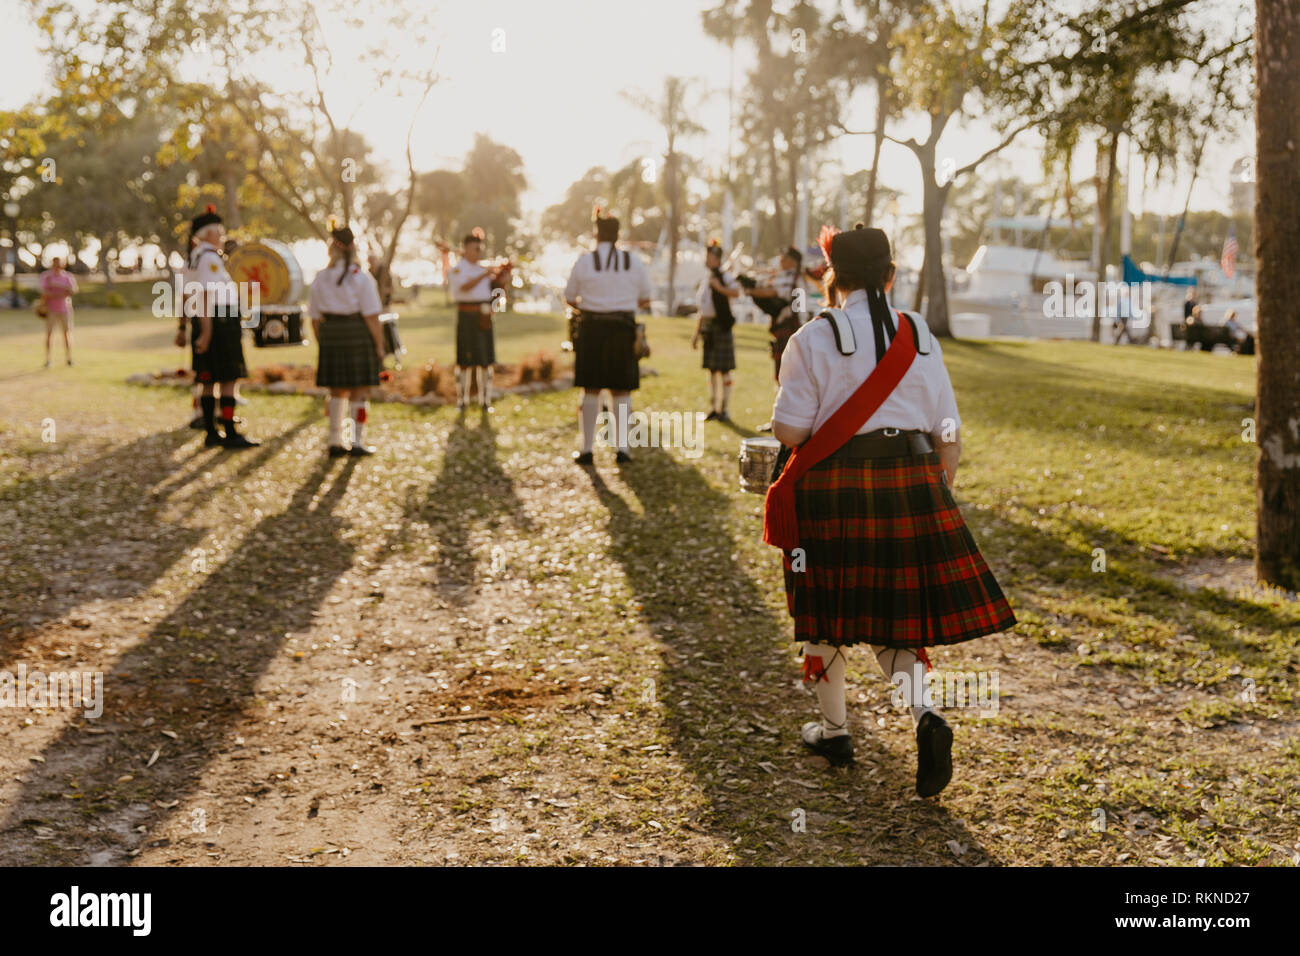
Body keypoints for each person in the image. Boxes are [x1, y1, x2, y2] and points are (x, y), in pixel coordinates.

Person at [766, 223, 1016, 797]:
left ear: (833, 278)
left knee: (824, 612)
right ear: (890, 276)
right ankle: (925, 714)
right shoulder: (920, 332)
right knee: (893, 617)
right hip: (909, 480)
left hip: (831, 485)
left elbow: (790, 428)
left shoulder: (812, 335)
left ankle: (834, 733)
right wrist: (936, 486)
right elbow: (946, 426)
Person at [563, 209, 652, 465]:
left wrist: (595, 303)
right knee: (621, 391)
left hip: (591, 328)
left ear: (596, 234)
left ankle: (587, 449)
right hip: (623, 329)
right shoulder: (633, 261)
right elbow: (646, 297)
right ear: (617, 235)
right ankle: (623, 449)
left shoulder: (584, 261)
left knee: (591, 389)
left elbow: (569, 298)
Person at [179, 204, 259, 449]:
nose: (223, 237)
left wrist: (183, 327)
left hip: (205, 320)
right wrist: (207, 332)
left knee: (207, 379)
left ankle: (212, 431)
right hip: (218, 322)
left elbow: (184, 296)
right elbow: (204, 296)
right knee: (227, 378)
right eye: (220, 232)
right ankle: (230, 431)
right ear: (209, 234)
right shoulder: (210, 259)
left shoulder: (192, 258)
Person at [309, 222, 386, 457]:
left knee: (336, 391)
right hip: (357, 332)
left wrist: (323, 342)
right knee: (359, 392)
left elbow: (314, 318)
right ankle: (357, 441)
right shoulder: (361, 278)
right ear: (353, 248)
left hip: (331, 333)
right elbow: (372, 317)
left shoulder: (321, 278)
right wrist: (379, 347)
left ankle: (335, 440)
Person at [447, 228, 510, 410]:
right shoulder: (459, 269)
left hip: (484, 315)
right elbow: (464, 287)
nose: (478, 252)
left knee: (485, 360)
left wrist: (502, 277)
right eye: (475, 249)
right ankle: (463, 400)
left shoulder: (485, 268)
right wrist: (484, 273)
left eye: (480, 249)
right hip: (467, 316)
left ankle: (485, 400)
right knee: (465, 362)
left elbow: (498, 292)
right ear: (465, 249)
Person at [692, 243, 741, 422]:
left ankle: (724, 408)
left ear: (717, 259)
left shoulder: (725, 277)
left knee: (725, 370)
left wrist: (719, 287)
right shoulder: (707, 279)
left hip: (722, 326)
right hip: (708, 327)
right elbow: (703, 309)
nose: (707, 260)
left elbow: (736, 292)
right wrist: (696, 333)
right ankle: (714, 407)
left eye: (710, 257)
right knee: (712, 370)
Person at [38, 257, 77, 367]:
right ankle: (48, 359)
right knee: (49, 334)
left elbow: (72, 290)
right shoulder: (47, 276)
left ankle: (69, 358)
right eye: (55, 264)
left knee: (66, 334)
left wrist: (56, 288)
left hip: (65, 310)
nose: (57, 266)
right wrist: (61, 293)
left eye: (59, 264)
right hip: (51, 310)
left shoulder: (67, 276)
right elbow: (44, 293)